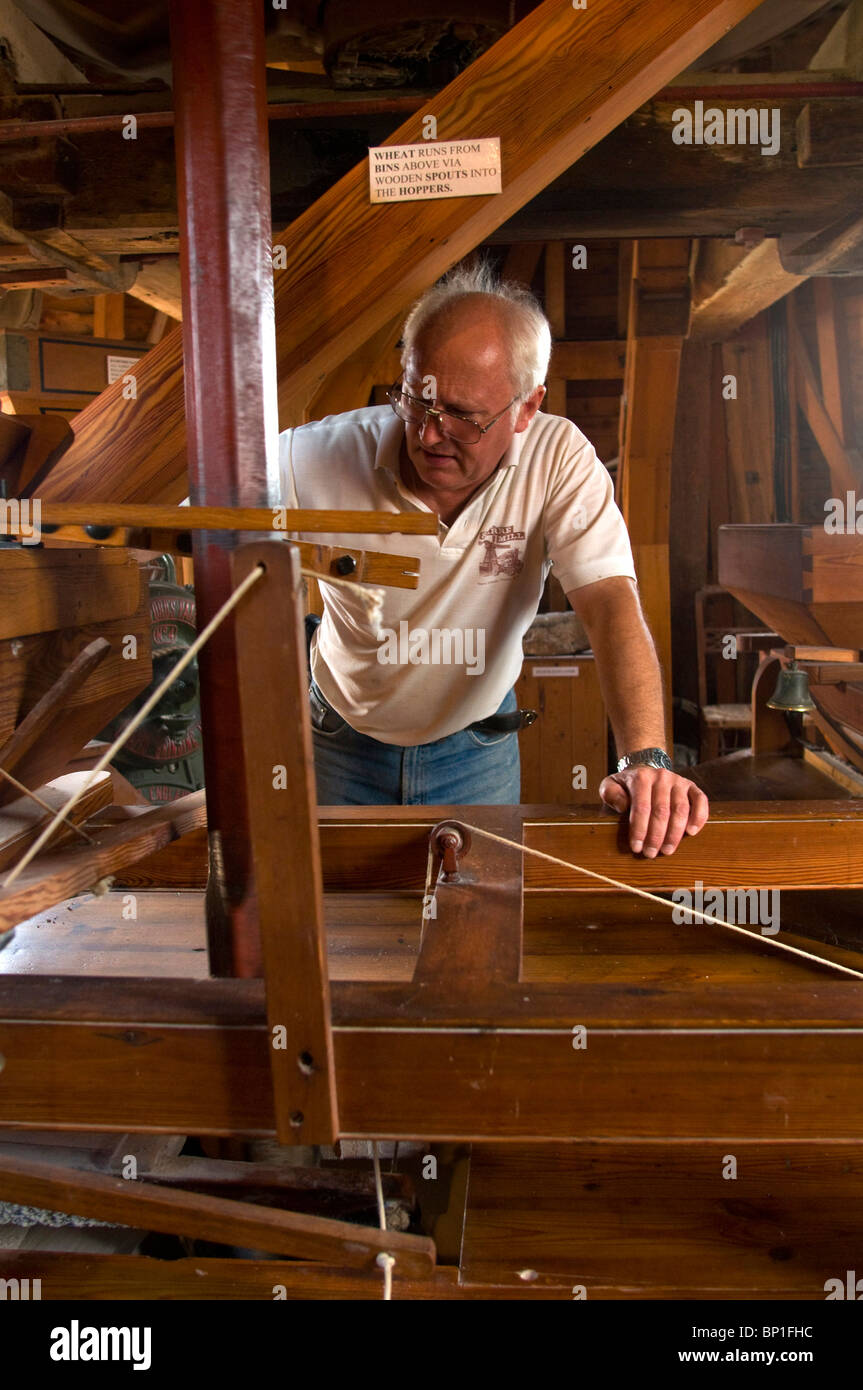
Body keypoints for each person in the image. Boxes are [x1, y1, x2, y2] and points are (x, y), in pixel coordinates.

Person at [280, 263, 708, 857]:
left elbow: (609, 600)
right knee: (343, 930)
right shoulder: (311, 458)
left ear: (527, 408)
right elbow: (185, 523)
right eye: (416, 401)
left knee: (481, 928)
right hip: (339, 741)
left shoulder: (557, 457)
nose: (429, 436)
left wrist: (646, 758)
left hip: (475, 750)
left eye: (462, 416)